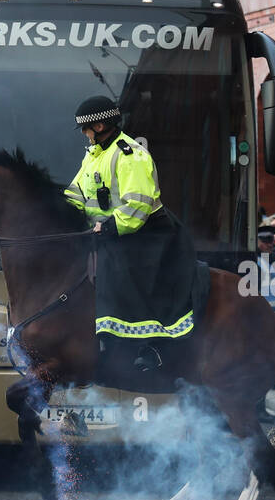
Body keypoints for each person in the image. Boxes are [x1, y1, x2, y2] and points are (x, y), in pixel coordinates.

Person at [63, 95, 197, 373]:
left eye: (86, 129)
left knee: (115, 265)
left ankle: (150, 345)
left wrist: (109, 226)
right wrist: (61, 213)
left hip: (146, 233)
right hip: (112, 230)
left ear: (99, 126)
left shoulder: (130, 154)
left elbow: (138, 203)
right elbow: (76, 192)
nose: (85, 136)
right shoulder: (93, 156)